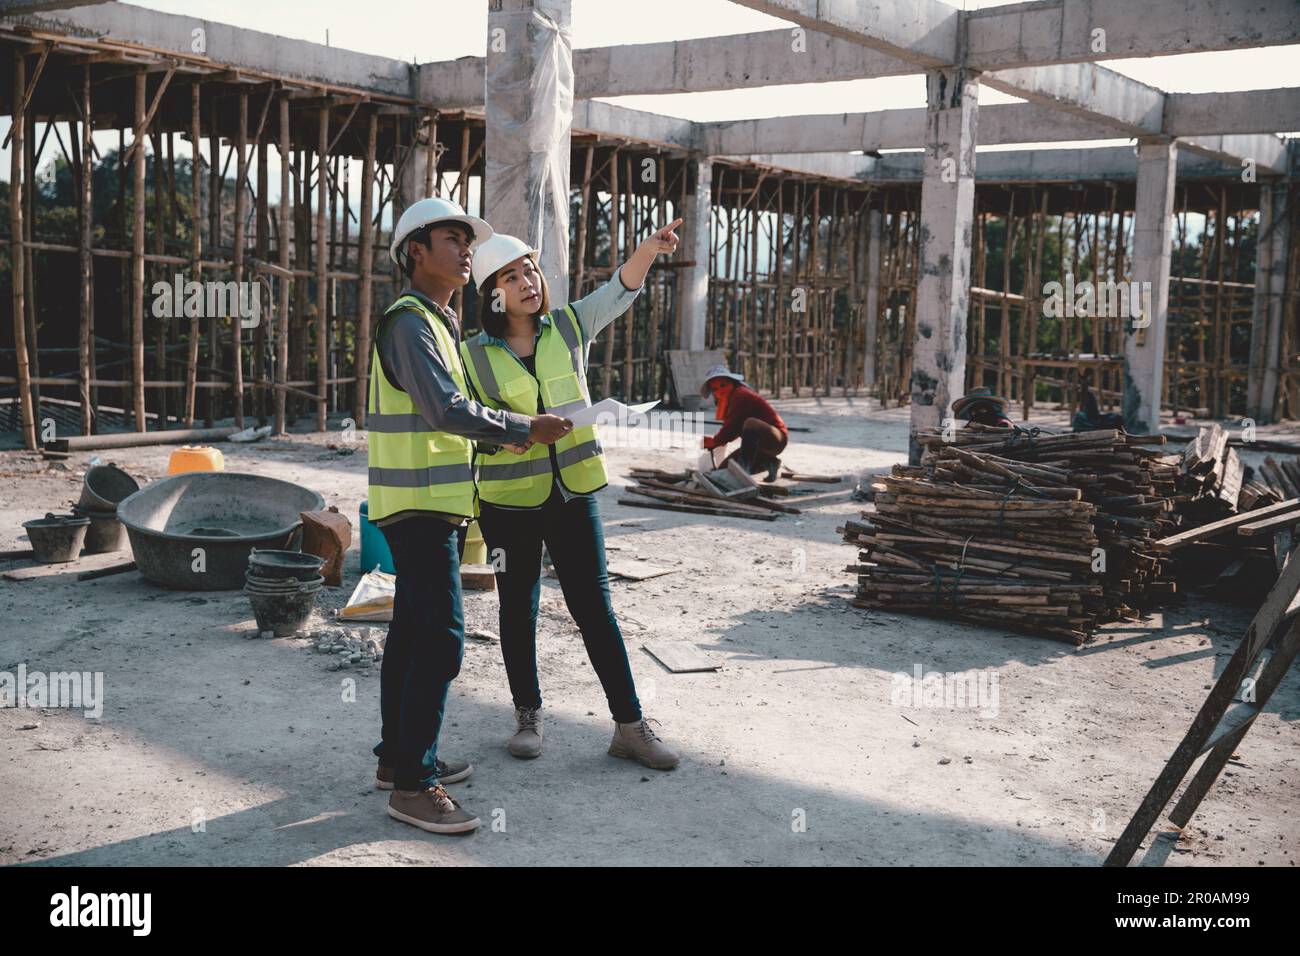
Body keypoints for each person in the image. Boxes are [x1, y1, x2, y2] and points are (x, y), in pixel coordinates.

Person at [368, 197, 572, 834]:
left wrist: (506, 436)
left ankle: (396, 757)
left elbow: (454, 421)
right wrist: (520, 425)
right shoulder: (410, 323)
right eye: (450, 239)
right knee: (443, 638)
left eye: (466, 240)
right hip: (418, 509)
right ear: (415, 253)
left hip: (434, 506)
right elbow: (444, 410)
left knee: (409, 633)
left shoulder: (438, 323)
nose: (465, 250)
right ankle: (413, 784)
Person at [458, 220, 684, 771]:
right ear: (493, 292)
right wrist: (507, 437)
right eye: (511, 276)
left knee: (595, 607)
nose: (527, 281)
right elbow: (463, 422)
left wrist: (648, 251)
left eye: (530, 269)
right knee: (518, 607)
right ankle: (528, 715)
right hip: (508, 501)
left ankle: (629, 726)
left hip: (573, 491)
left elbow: (617, 293)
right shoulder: (472, 355)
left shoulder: (567, 326)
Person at [699, 365, 788, 480]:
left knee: (751, 423)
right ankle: (769, 462)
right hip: (760, 445)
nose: (720, 391)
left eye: (723, 385)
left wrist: (716, 441)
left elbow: (731, 427)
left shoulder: (741, 395)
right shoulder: (730, 399)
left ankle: (744, 471)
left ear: (731, 382)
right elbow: (734, 429)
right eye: (715, 389)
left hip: (776, 439)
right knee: (722, 471)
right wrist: (717, 441)